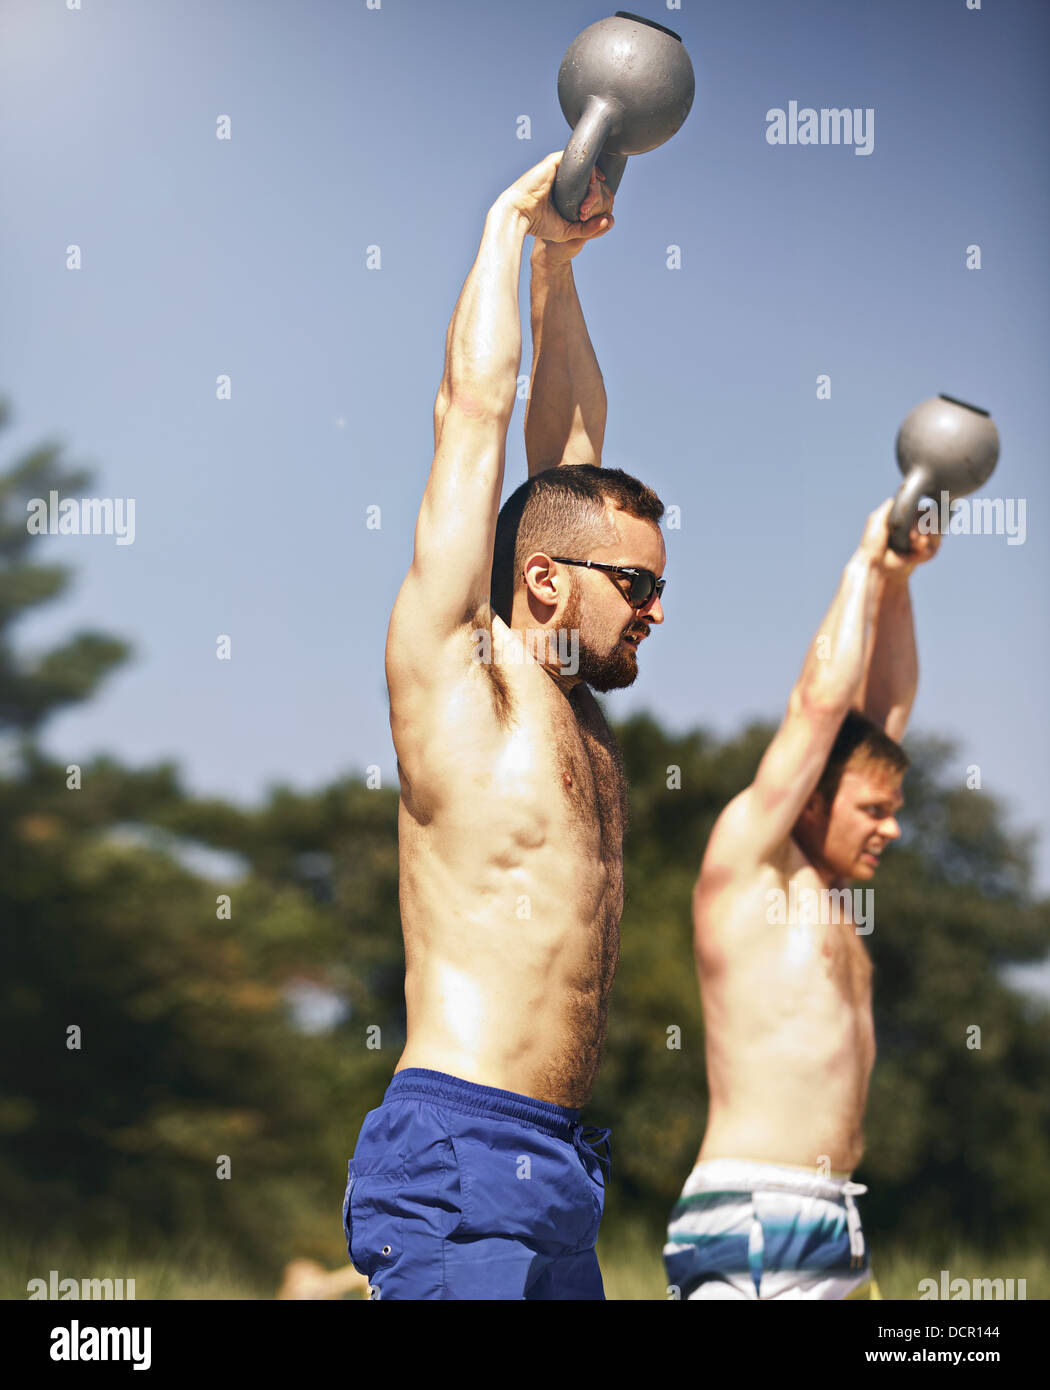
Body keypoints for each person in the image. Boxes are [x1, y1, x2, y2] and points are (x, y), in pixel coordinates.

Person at [344, 152, 667, 1299]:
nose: (657, 609)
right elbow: (472, 416)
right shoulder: (454, 678)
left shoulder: (571, 706)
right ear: (542, 580)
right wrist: (503, 224)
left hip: (563, 1170)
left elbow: (570, 465)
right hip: (455, 1156)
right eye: (634, 586)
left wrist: (560, 267)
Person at [664, 501, 939, 1299]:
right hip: (753, 1214)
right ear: (813, 801)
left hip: (836, 1222)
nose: (892, 828)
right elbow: (820, 709)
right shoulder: (751, 863)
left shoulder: (827, 892)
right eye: (874, 811)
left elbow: (881, 719)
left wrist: (898, 578)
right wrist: (861, 560)